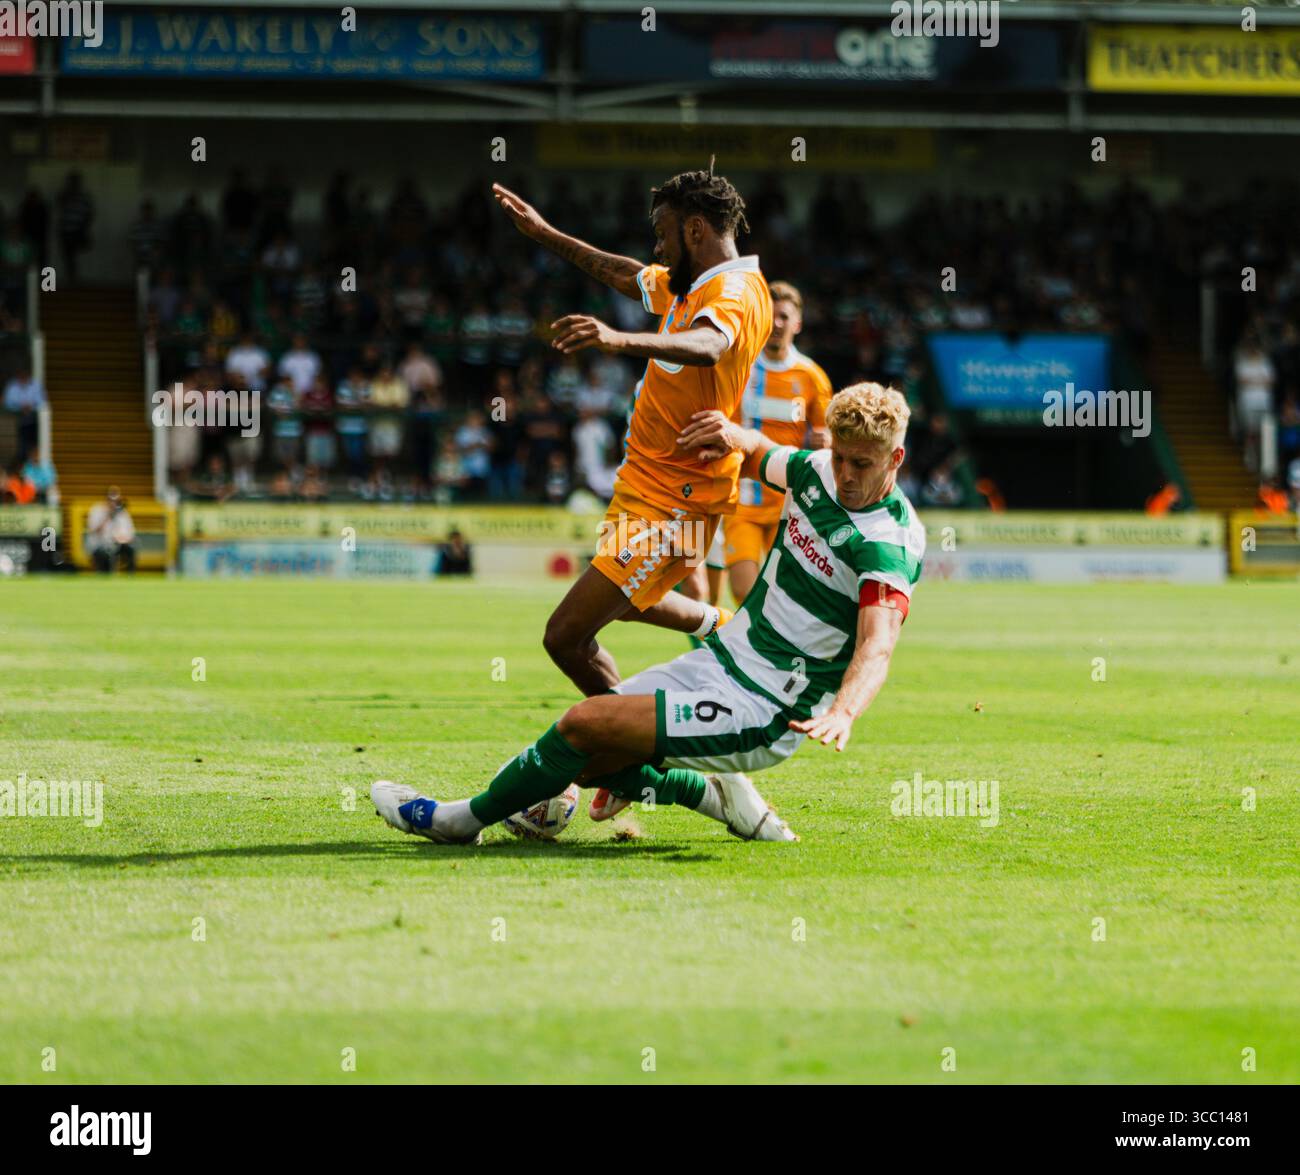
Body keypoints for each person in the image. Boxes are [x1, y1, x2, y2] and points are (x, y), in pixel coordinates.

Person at [370, 382, 924, 845]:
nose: (846, 474)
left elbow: (878, 644)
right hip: (723, 661)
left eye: (862, 464)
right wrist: (731, 434)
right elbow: (757, 451)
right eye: (841, 458)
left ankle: (454, 822)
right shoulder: (816, 471)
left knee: (581, 723)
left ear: (895, 459)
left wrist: (845, 712)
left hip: (768, 706)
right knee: (581, 761)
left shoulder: (886, 544)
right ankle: (713, 794)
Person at [491, 163, 772, 696]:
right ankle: (723, 628)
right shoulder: (692, 285)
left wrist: (619, 340)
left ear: (695, 230)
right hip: (648, 481)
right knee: (619, 604)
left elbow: (710, 346)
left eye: (663, 234)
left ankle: (627, 755)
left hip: (678, 492)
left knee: (565, 635)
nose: (658, 249)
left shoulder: (734, 291)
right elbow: (626, 275)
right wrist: (545, 234)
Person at [86, 487, 136, 573]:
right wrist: (107, 516)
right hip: (99, 544)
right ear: (106, 499)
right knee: (103, 555)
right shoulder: (97, 510)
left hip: (117, 544)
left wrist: (122, 539)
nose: (113, 503)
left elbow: (129, 533)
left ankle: (130, 577)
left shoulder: (122, 513)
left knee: (131, 549)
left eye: (116, 501)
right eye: (111, 500)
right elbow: (93, 531)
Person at [3, 363, 45, 462]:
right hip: (17, 419)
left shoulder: (36, 385)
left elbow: (42, 402)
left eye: (25, 373)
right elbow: (7, 403)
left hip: (33, 420)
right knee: (21, 443)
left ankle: (30, 456)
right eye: (20, 374)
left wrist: (31, 406)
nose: (23, 375)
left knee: (30, 439)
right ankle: (21, 457)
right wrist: (19, 407)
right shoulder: (12, 386)